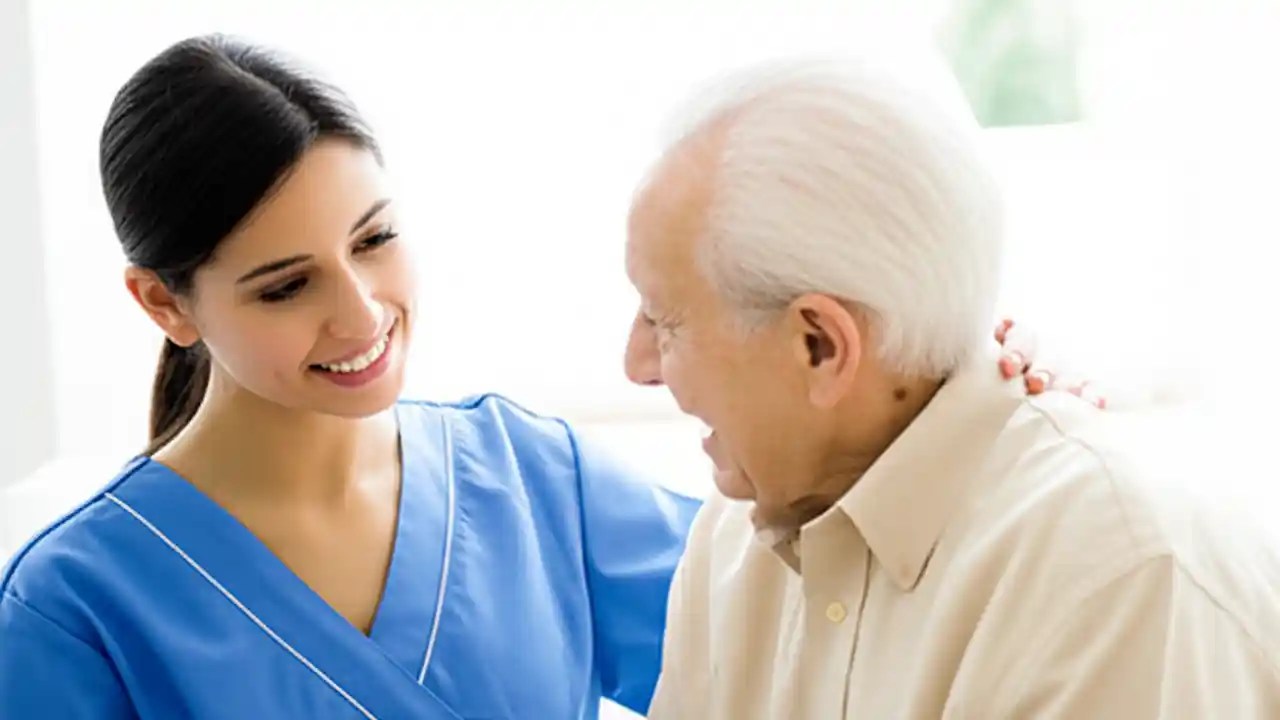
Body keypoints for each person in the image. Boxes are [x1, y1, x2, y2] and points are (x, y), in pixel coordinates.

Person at [0, 36, 1068, 719]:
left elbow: (835, 628)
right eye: (286, 286)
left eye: (374, 240)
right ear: (165, 304)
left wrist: (950, 402)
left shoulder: (528, 480)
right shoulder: (74, 610)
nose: (361, 315)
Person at [633, 53, 1280, 719]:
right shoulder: (733, 542)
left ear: (820, 346)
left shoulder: (1121, 574)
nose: (637, 363)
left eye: (664, 320)